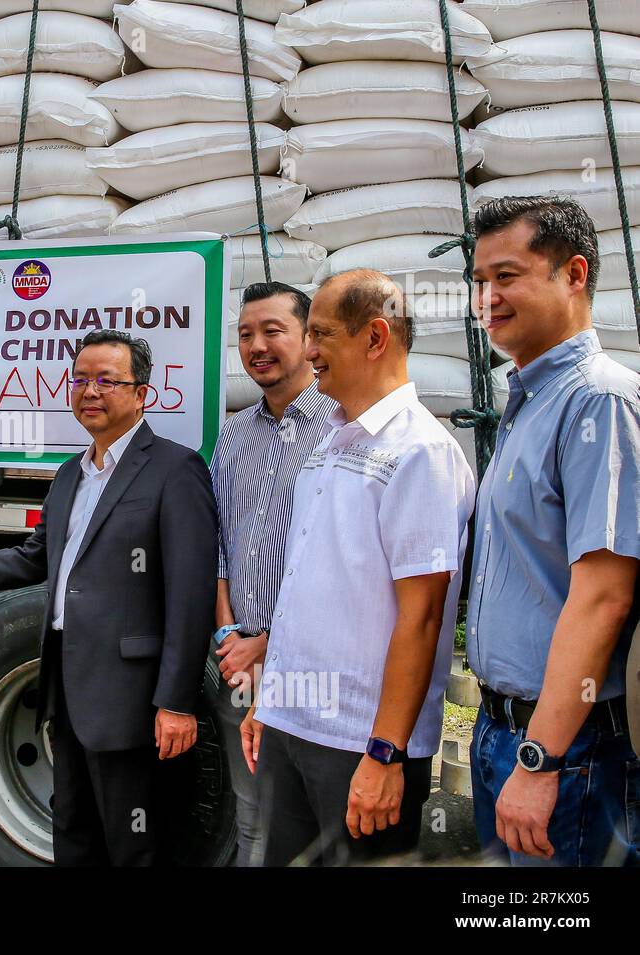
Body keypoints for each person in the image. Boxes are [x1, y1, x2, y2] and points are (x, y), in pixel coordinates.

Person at [0, 329, 217, 867]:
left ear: (142, 393)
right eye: (81, 380)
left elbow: (190, 596)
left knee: (134, 840)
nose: (90, 391)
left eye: (107, 381)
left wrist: (177, 702)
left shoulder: (174, 468)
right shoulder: (71, 472)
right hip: (66, 687)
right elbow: (32, 558)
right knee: (72, 829)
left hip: (132, 697)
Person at [241, 270, 475, 866]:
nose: (309, 352)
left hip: (358, 745)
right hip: (294, 728)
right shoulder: (334, 440)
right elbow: (309, 593)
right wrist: (273, 705)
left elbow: (421, 618)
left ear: (374, 338)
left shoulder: (419, 452)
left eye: (320, 335)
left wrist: (387, 753)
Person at [465, 196, 639, 866]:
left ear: (573, 273)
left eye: (506, 277)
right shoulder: (528, 402)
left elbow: (604, 596)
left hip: (565, 751)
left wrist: (539, 761)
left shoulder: (597, 400)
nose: (488, 298)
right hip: (500, 731)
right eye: (479, 282)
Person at [209, 282, 337, 866]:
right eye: (244, 335)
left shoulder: (340, 428)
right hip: (236, 660)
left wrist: (270, 646)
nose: (256, 346)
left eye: (272, 331)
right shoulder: (233, 434)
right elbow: (218, 546)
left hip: (309, 666)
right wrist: (228, 637)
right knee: (250, 813)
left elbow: (337, 562)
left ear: (308, 339)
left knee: (311, 823)